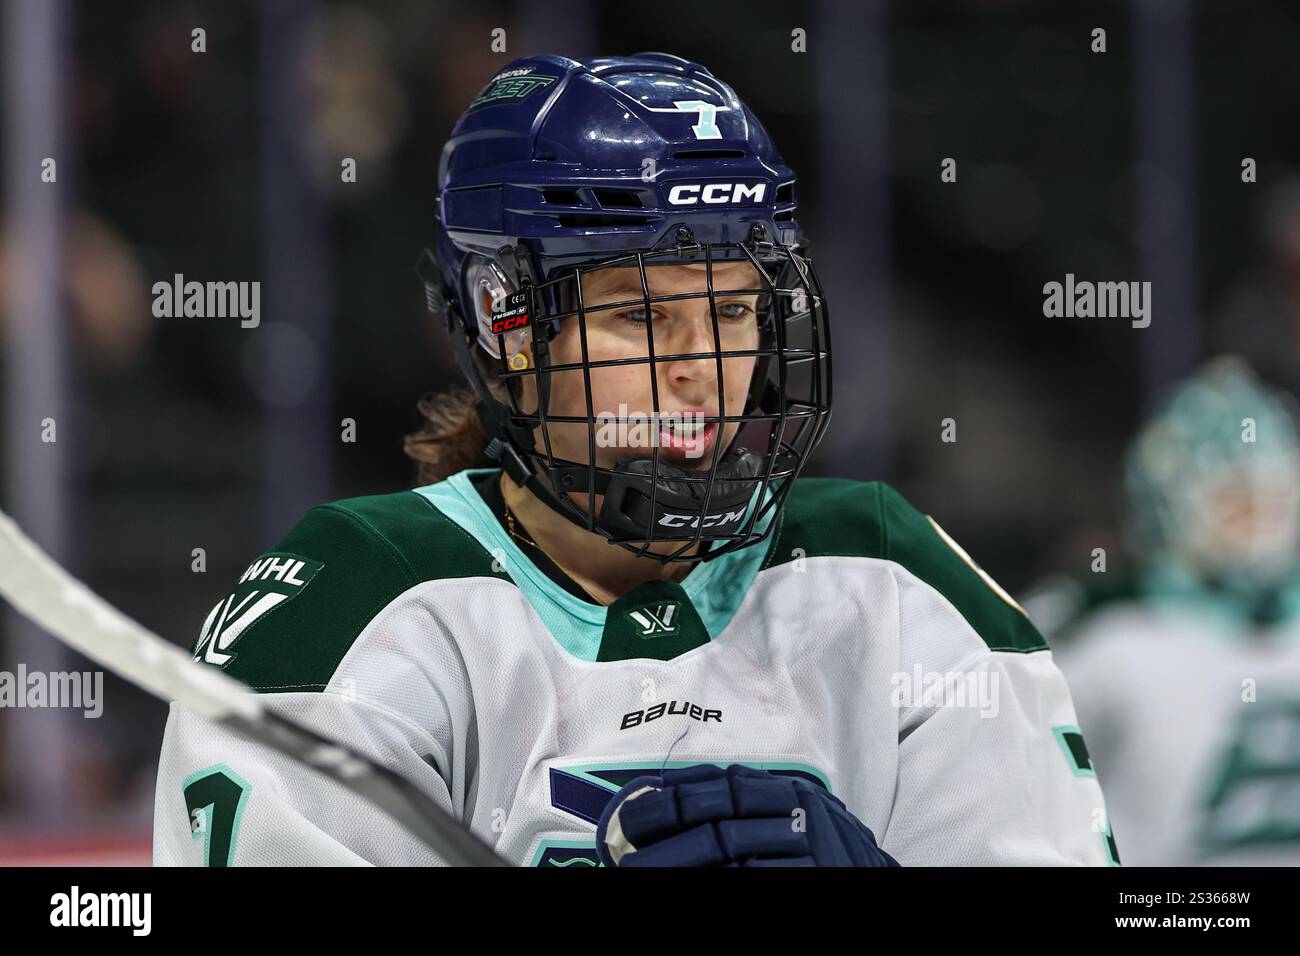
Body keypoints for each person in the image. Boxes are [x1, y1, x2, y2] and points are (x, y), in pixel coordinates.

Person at [153, 52, 1112, 866]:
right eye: (642, 316)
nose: (702, 369)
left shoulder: (892, 582)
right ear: (505, 328)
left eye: (734, 310)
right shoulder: (353, 611)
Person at [1052, 357, 1300, 865]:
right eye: (1237, 503)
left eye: (1275, 499)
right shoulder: (1106, 640)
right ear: (1169, 502)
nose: (1262, 527)